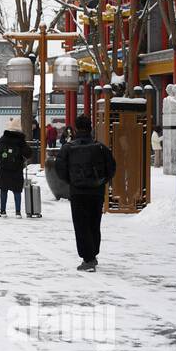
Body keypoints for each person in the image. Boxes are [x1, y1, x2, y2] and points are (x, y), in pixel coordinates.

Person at [54, 115, 117, 271]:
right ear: (90, 128)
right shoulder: (100, 147)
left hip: (78, 191)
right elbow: (111, 168)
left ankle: (88, 258)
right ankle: (93, 254)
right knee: (94, 223)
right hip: (96, 191)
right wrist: (101, 181)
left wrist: (72, 181)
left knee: (81, 224)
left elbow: (60, 169)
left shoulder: (68, 148)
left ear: (75, 128)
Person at [0, 117, 32, 217]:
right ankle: (18, 212)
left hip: (4, 168)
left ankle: (3, 211)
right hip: (16, 169)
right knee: (17, 190)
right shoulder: (20, 140)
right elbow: (28, 153)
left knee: (3, 189)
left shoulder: (3, 138)